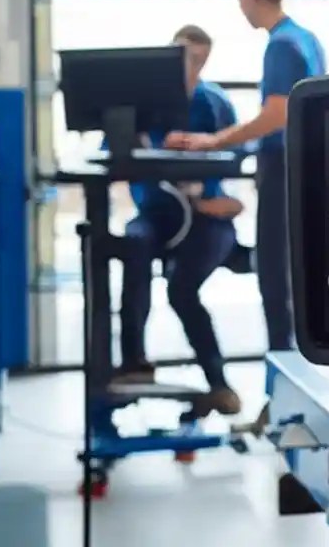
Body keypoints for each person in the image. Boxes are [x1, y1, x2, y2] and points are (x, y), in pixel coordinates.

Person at [166, 0, 327, 355]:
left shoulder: (281, 45)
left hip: (283, 171)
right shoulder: (307, 39)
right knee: (295, 279)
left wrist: (213, 141)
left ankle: (280, 392)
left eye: (241, 0)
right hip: (308, 169)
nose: (241, 10)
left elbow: (277, 113)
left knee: (275, 280)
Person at [114, 24, 244, 415]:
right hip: (157, 213)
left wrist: (225, 198)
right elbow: (114, 154)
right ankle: (134, 362)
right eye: (186, 58)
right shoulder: (141, 105)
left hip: (207, 217)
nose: (192, 68)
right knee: (133, 245)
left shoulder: (214, 102)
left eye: (200, 60)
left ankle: (219, 385)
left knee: (181, 290)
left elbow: (240, 153)